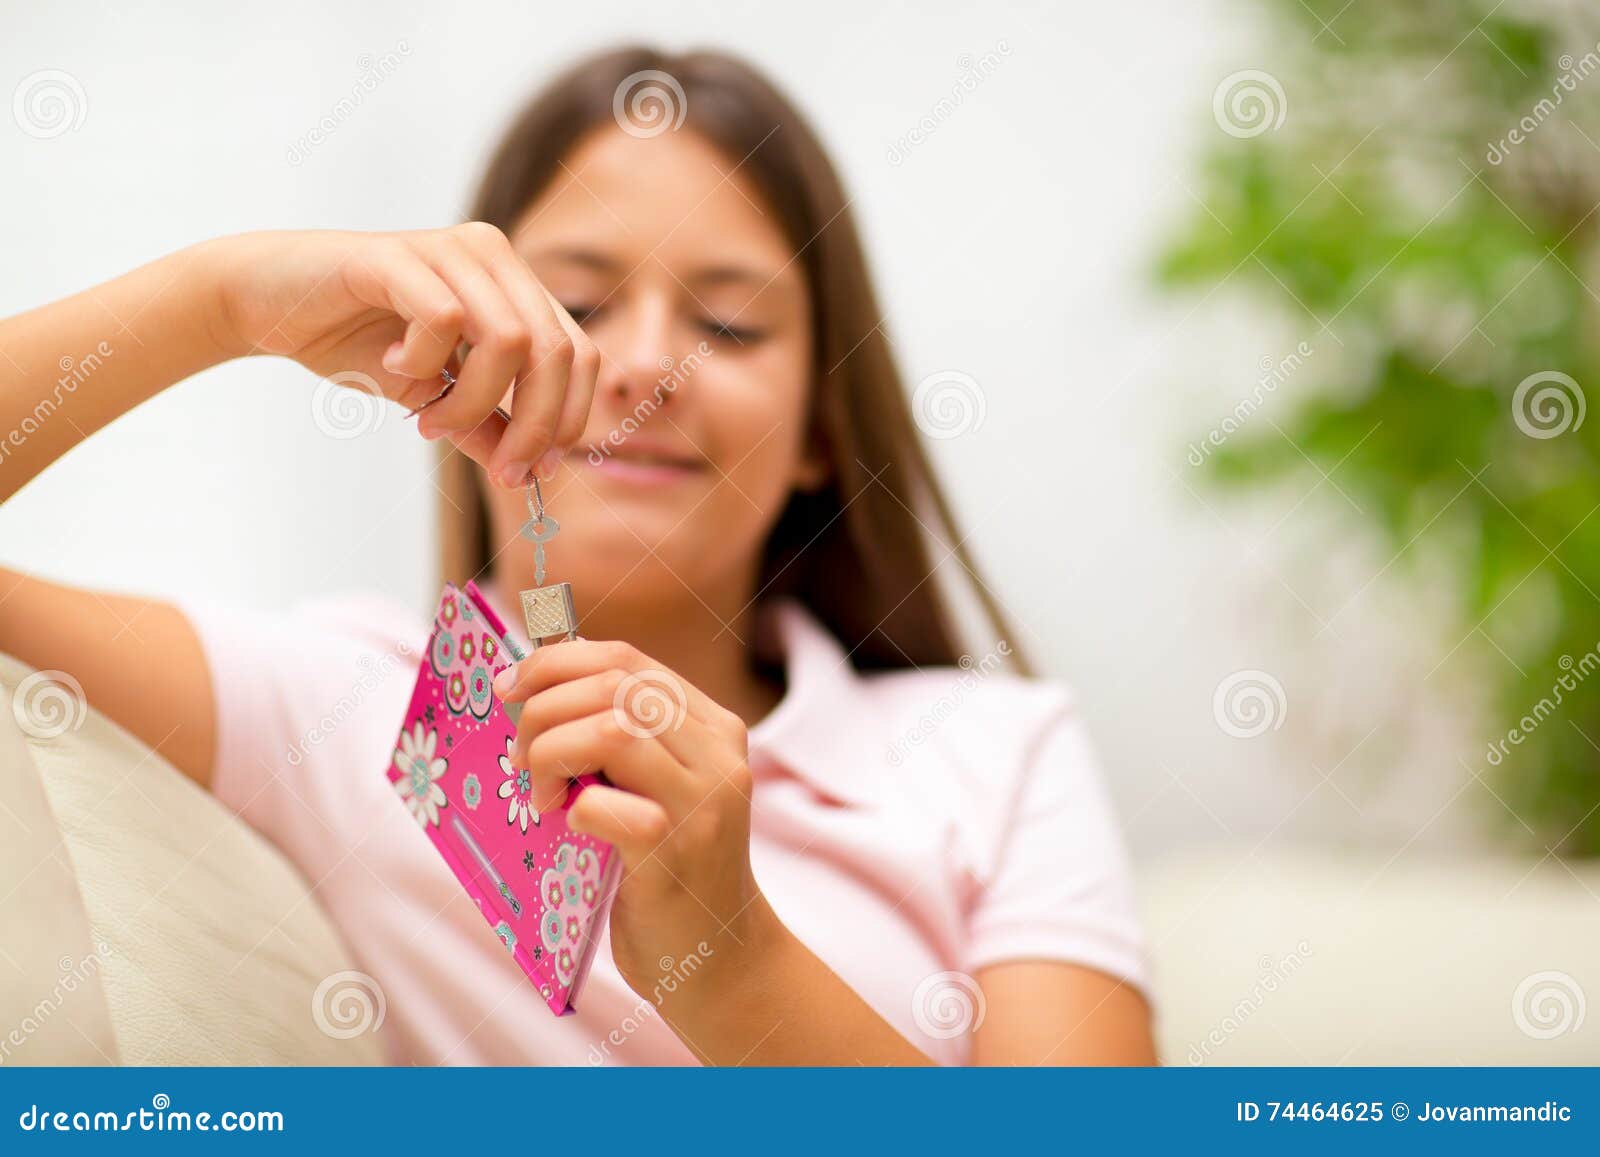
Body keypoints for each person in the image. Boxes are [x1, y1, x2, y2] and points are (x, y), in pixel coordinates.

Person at [0, 47, 1155, 1065]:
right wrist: (223, 301)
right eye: (577, 304)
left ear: (820, 427)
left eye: (730, 323)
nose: (643, 363)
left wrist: (734, 968)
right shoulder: (338, 702)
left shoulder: (996, 754)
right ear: (458, 359)